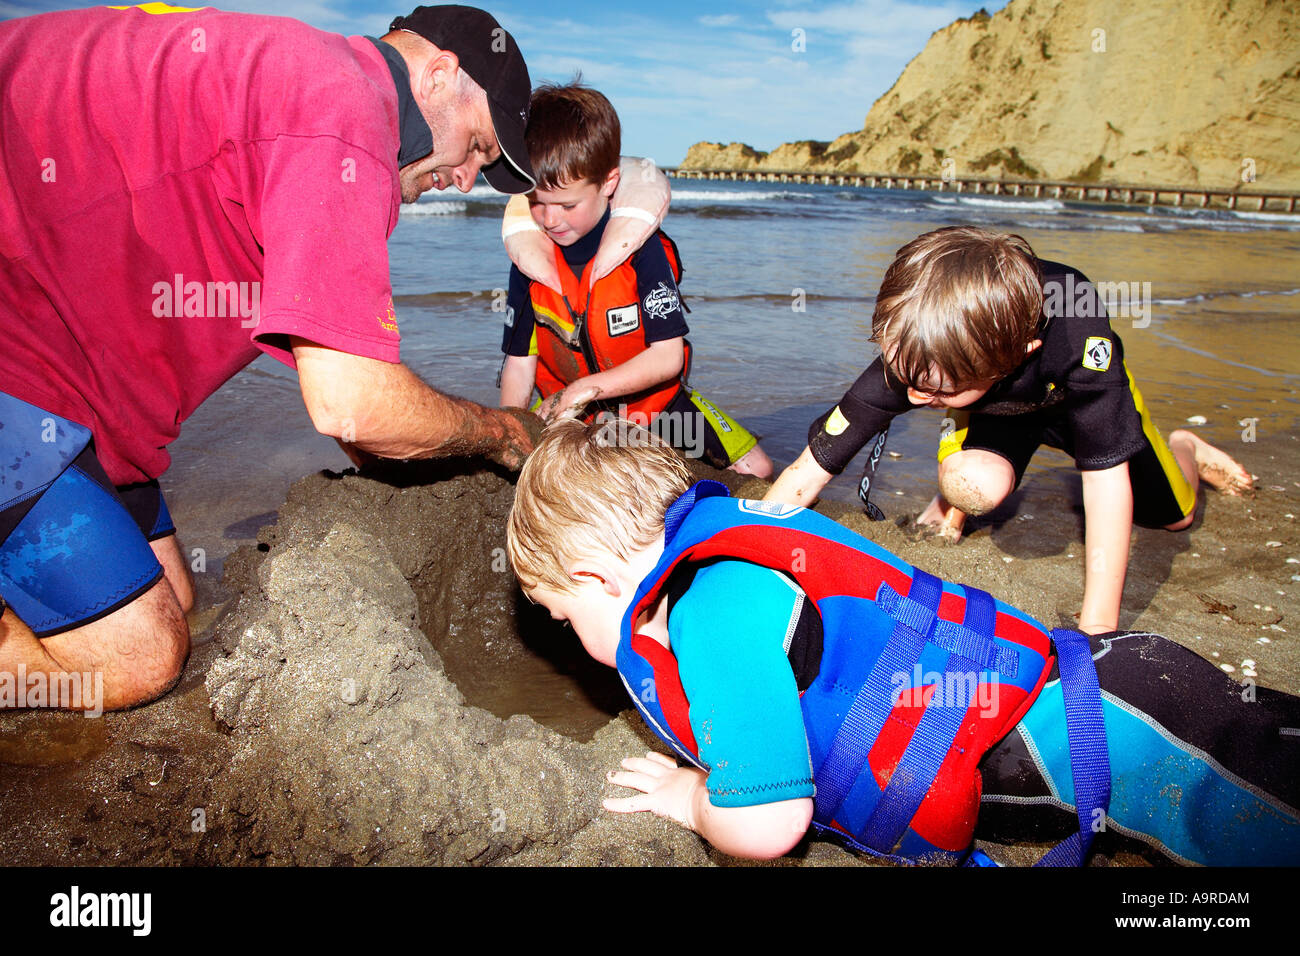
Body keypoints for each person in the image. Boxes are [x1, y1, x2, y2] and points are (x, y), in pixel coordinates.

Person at [0, 4, 541, 712]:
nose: (470, 178)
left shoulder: (317, 85)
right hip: (20, 356)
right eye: (479, 145)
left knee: (178, 594)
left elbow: (341, 383)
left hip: (74, 374)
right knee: (140, 658)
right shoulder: (340, 112)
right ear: (439, 74)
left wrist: (410, 453)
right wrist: (500, 431)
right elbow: (351, 398)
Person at [506, 419, 1300, 865]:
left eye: (560, 616)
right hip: (1103, 684)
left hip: (1110, 731)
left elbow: (769, 824)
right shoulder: (732, 546)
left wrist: (691, 798)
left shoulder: (708, 619)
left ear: (597, 577)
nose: (571, 638)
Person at [765, 226, 1253, 635]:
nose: (912, 398)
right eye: (905, 379)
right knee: (973, 486)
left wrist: (1097, 628)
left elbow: (1104, 477)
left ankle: (1186, 445)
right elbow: (816, 461)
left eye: (934, 392)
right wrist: (754, 535)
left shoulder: (1078, 324)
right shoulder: (923, 355)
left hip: (1077, 403)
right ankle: (953, 496)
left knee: (1175, 520)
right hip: (996, 413)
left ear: (1019, 351)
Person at [497, 82, 772, 477]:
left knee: (757, 469)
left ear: (608, 184)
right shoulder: (529, 262)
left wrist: (585, 389)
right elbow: (519, 365)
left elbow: (667, 358)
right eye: (536, 203)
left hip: (654, 409)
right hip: (574, 419)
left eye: (567, 205)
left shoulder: (642, 250)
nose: (549, 219)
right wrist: (513, 432)